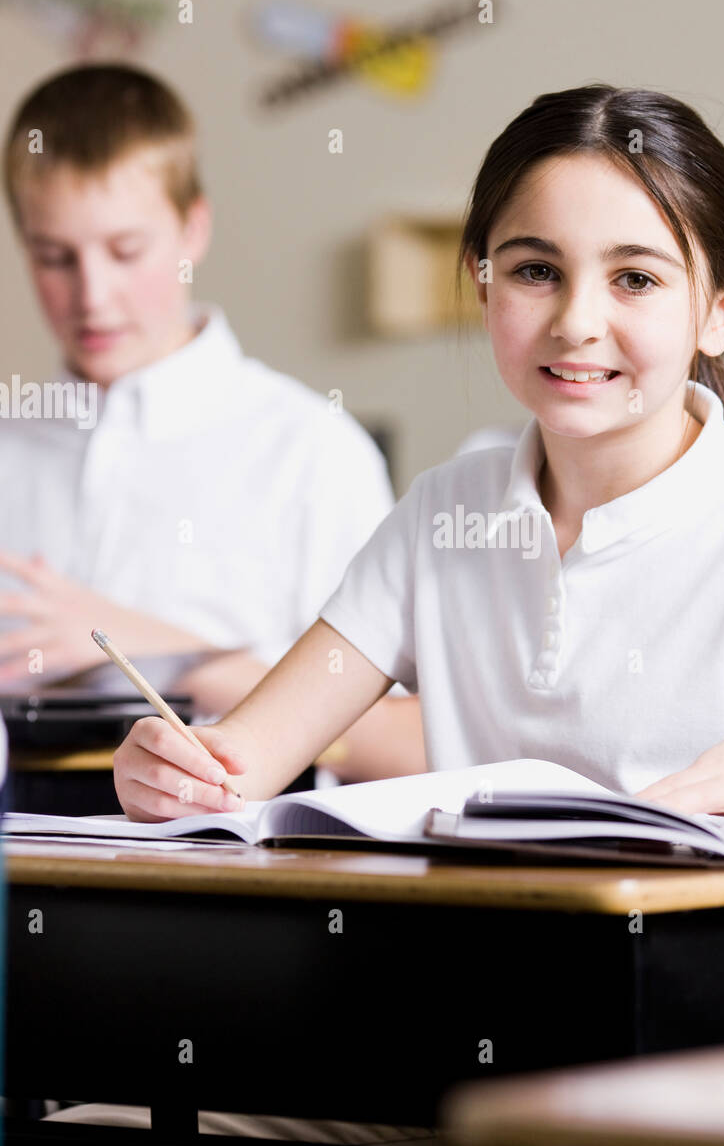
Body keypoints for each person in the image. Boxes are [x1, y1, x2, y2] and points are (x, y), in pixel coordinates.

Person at [34, 83, 724, 1146]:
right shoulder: (447, 508)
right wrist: (173, 769)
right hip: (452, 1044)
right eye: (534, 270)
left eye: (634, 278)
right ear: (484, 284)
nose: (577, 319)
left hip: (693, 1072)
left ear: (720, 308)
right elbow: (243, 755)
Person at [0, 64, 425, 780]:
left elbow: (410, 746)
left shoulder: (309, 450)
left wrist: (173, 656)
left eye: (125, 251)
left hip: (234, 875)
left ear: (193, 228)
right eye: (54, 258)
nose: (92, 295)